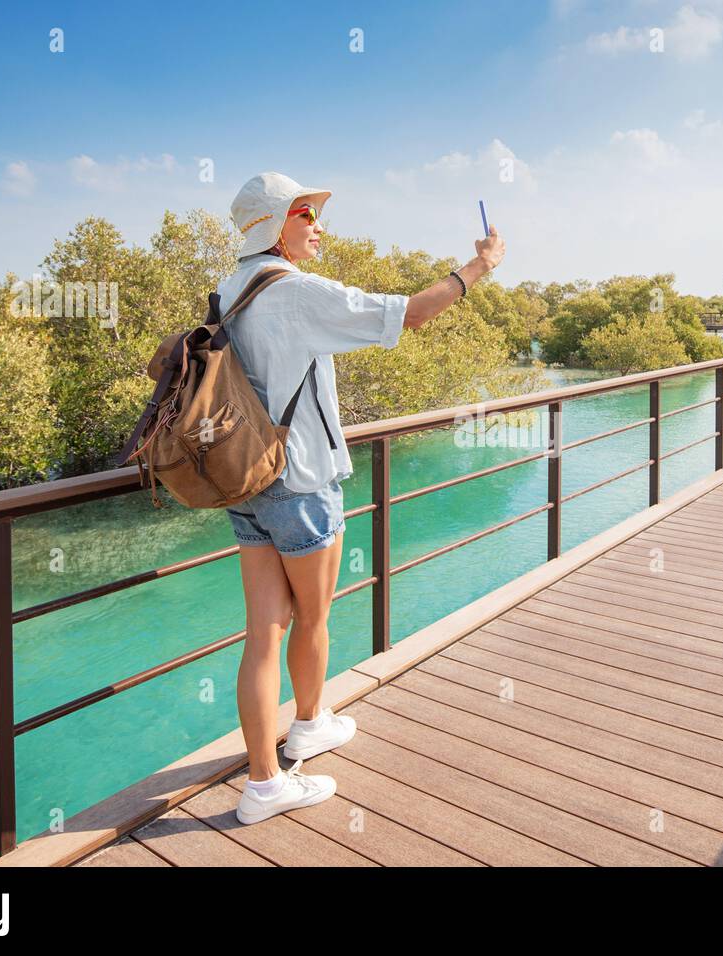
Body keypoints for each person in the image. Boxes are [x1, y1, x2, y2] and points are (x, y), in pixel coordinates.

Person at [222, 172, 505, 824]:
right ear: (274, 225)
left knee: (263, 635)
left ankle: (277, 765)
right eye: (305, 215)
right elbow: (409, 313)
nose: (318, 226)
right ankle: (296, 742)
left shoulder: (229, 289)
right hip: (301, 483)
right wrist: (480, 266)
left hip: (246, 482)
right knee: (311, 621)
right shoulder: (290, 290)